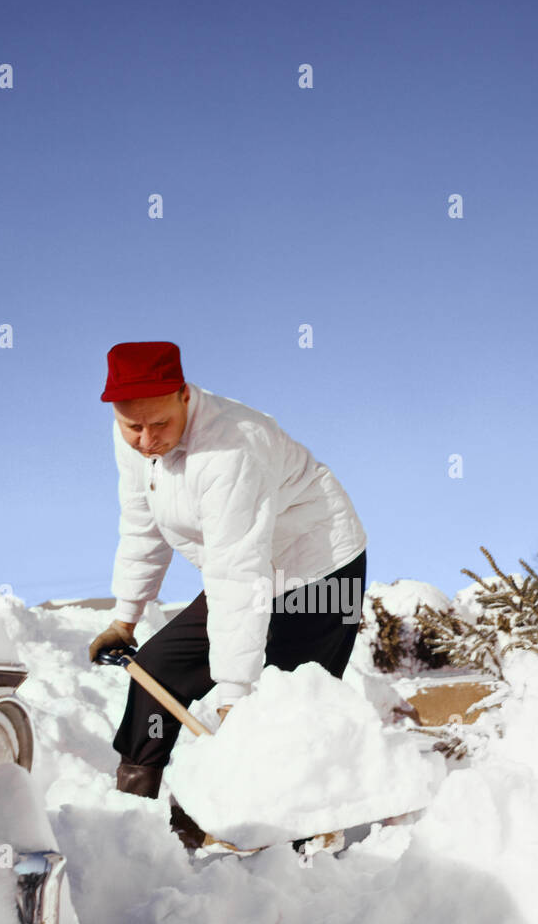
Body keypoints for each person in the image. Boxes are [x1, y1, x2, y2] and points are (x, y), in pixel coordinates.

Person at [89, 341, 367, 840]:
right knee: (157, 670)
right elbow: (141, 525)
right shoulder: (133, 439)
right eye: (134, 426)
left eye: (159, 425)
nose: (147, 440)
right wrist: (124, 617)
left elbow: (239, 573)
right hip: (245, 567)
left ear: (184, 397)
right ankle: (134, 816)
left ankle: (292, 837)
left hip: (317, 570)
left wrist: (236, 692)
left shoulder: (232, 446)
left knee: (281, 708)